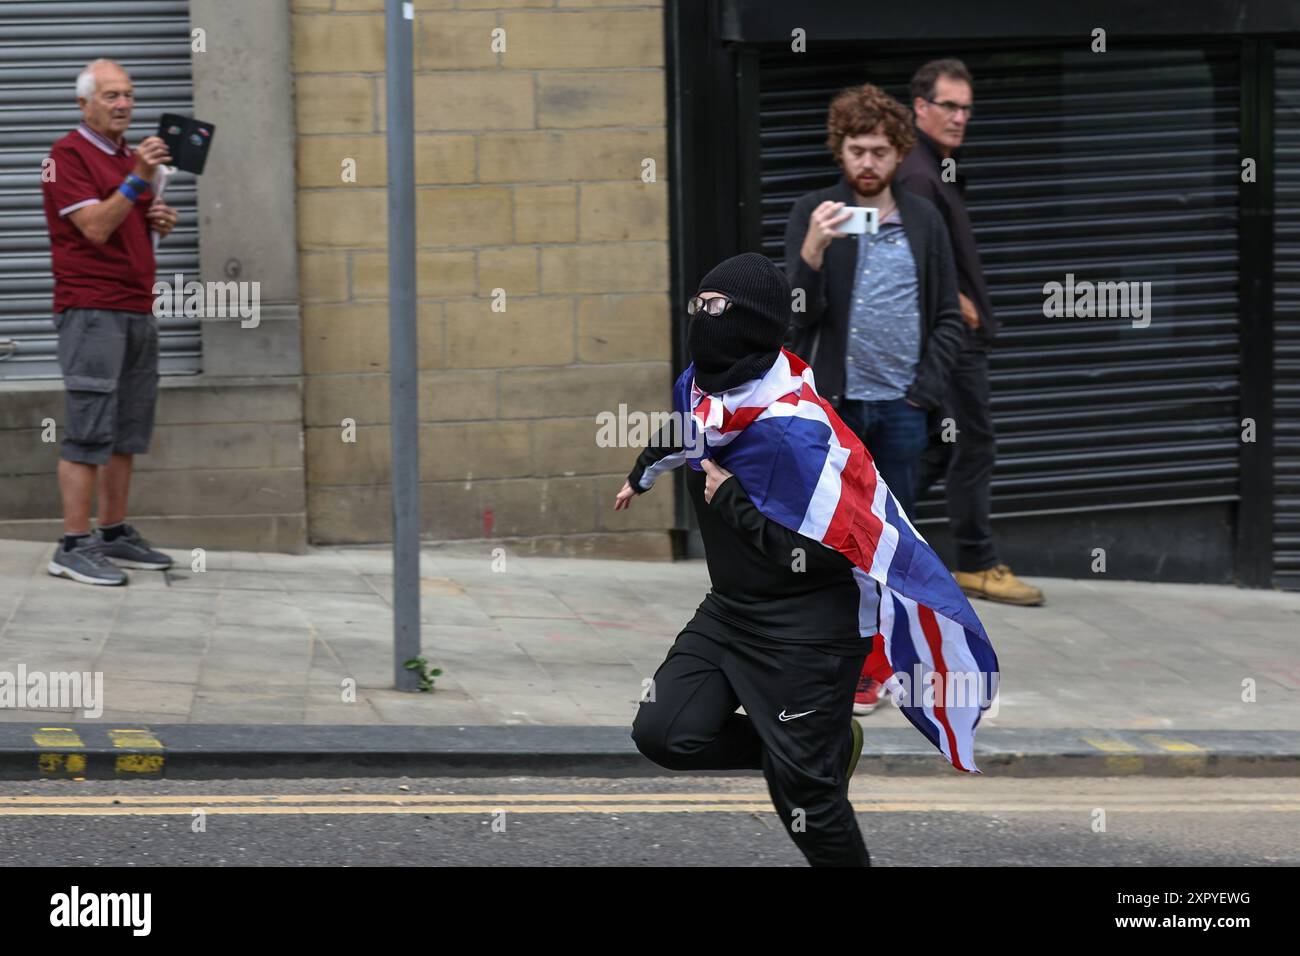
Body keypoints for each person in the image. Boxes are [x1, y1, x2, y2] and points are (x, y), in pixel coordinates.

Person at [617, 253, 873, 867]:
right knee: (663, 730)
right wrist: (641, 475)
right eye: (697, 305)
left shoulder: (796, 432)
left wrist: (734, 505)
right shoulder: (704, 384)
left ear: (752, 322)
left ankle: (807, 755)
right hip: (733, 609)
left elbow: (836, 556)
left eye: (716, 307)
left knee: (805, 801)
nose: (701, 317)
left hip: (809, 630)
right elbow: (686, 429)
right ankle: (818, 745)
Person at [782, 82, 964, 712]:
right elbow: (794, 319)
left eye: (880, 152)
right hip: (836, 408)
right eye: (856, 150)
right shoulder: (816, 211)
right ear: (840, 151)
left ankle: (887, 663)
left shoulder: (924, 219)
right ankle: (843, 661)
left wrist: (923, 392)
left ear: (899, 153)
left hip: (903, 410)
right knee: (837, 542)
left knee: (896, 543)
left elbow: (947, 316)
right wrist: (811, 250)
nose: (867, 163)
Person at [896, 58, 1044, 606]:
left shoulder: (936, 167)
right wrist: (958, 306)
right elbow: (909, 258)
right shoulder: (916, 172)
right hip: (951, 342)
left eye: (965, 108)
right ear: (920, 108)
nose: (959, 117)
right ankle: (978, 563)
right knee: (974, 441)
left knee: (940, 444)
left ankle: (872, 533)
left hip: (952, 337)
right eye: (948, 106)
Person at [41, 59, 178, 586]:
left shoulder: (130, 158)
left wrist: (157, 220)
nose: (124, 105)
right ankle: (72, 545)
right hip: (91, 309)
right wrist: (137, 179)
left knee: (125, 430)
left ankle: (113, 531)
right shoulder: (64, 156)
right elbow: (94, 228)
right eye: (111, 96)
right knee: (89, 429)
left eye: (129, 95)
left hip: (136, 306)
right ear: (84, 104)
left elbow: (125, 226)